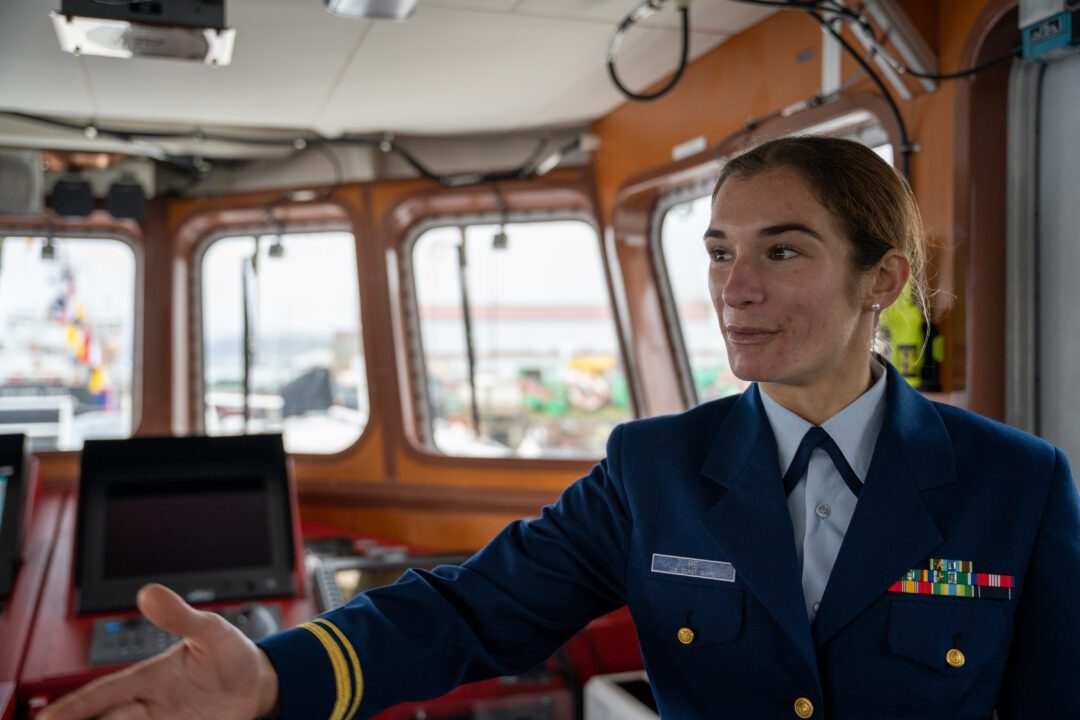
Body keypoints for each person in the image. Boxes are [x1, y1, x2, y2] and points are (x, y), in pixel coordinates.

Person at [41, 137, 1080, 720]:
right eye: (720, 253)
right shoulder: (654, 468)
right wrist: (276, 675)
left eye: (782, 252)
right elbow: (468, 612)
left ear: (881, 279)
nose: (734, 290)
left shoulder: (1018, 486)